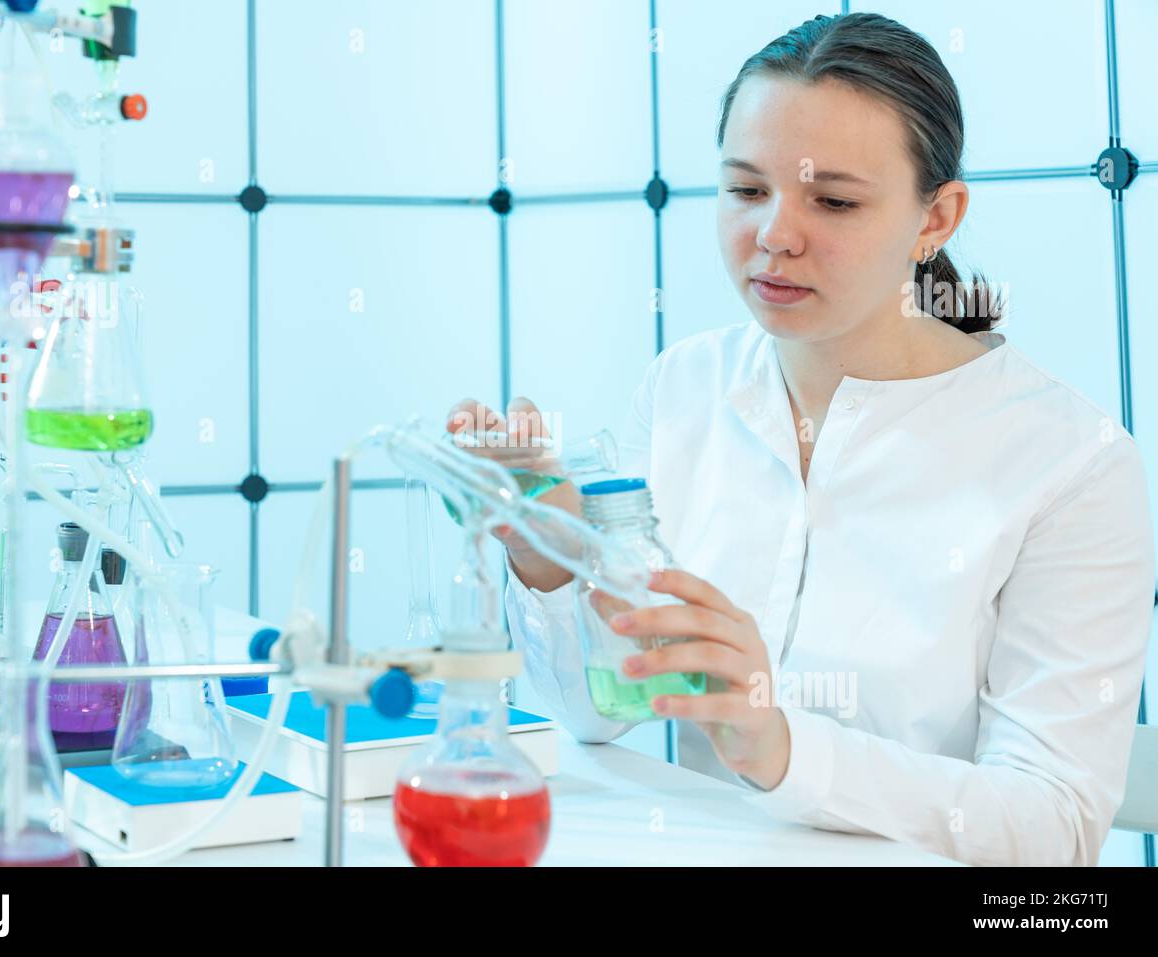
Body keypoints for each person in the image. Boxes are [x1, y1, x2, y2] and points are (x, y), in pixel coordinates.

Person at [446, 12, 1154, 867]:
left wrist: (779, 745)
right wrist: (551, 553)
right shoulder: (684, 387)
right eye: (747, 189)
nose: (775, 234)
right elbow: (600, 716)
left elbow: (1052, 828)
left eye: (835, 201)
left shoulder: (1071, 463)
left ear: (938, 218)